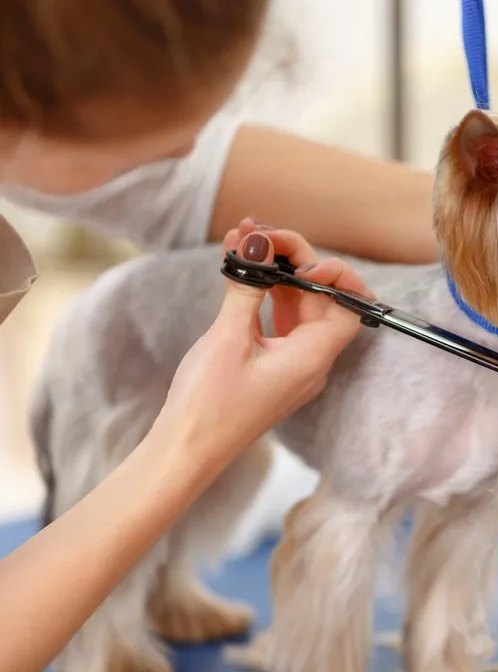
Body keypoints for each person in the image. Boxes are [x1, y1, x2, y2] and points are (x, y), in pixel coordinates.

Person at [0, 2, 437, 670]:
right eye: (157, 134)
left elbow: (190, 179)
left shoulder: (52, 116)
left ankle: (163, 593)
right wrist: (189, 442)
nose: (185, 146)